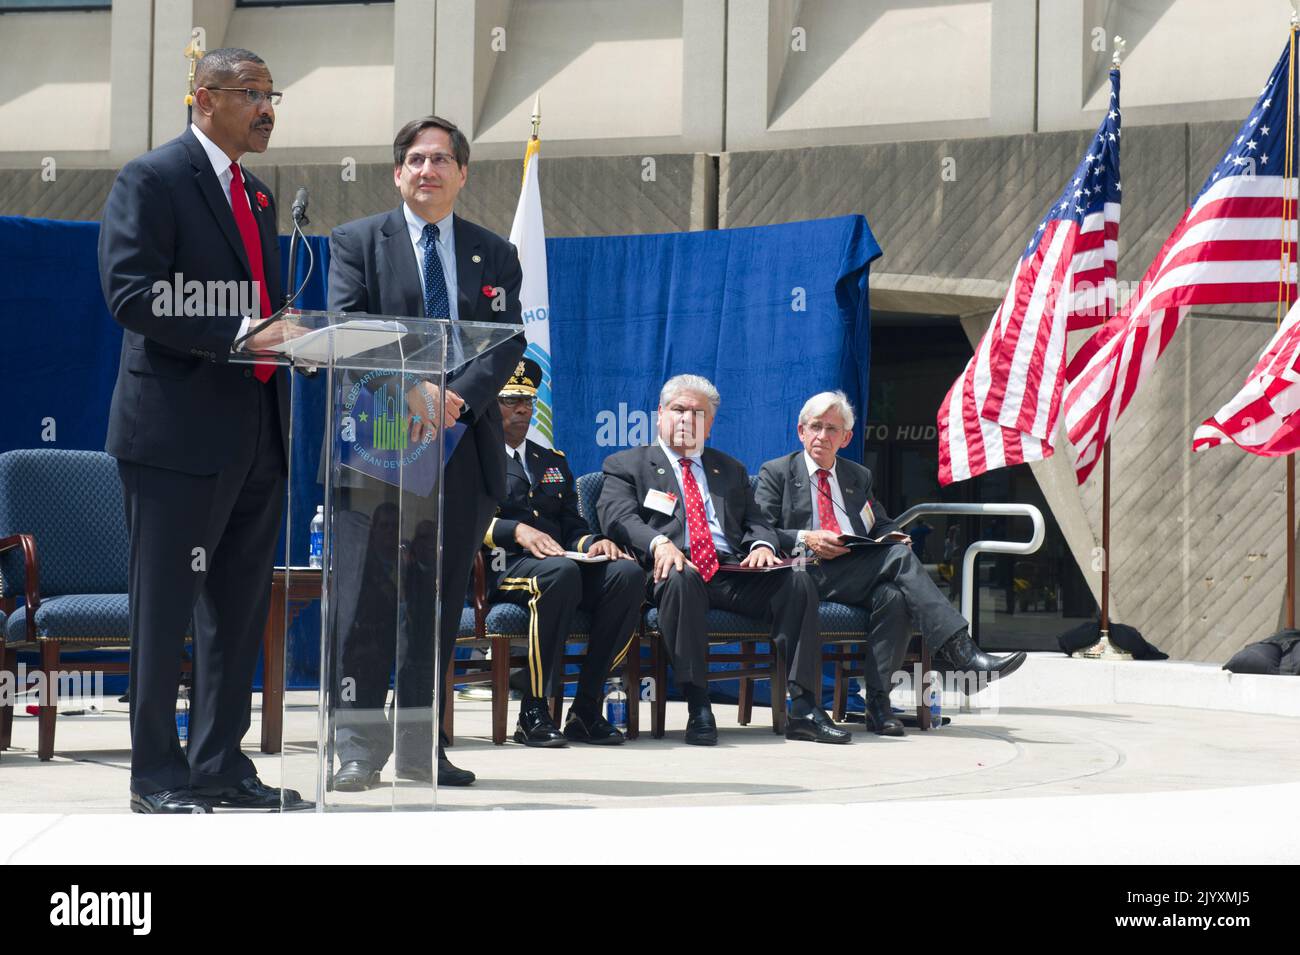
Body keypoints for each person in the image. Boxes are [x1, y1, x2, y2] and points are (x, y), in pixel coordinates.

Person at [99, 48, 307, 813]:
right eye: (252, 92)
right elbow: (132, 293)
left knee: (239, 612)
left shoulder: (256, 194)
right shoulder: (151, 179)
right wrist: (241, 332)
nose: (267, 107)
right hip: (176, 437)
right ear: (205, 97)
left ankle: (220, 762)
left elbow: (264, 313)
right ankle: (156, 773)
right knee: (165, 609)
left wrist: (297, 340)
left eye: (271, 92)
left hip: (256, 431)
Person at [327, 116, 524, 790]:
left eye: (442, 159)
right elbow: (348, 325)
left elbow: (504, 341)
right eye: (415, 159)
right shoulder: (357, 242)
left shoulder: (494, 253)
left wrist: (454, 399)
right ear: (397, 172)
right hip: (381, 443)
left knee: (432, 607)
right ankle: (356, 747)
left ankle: (419, 749)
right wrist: (411, 390)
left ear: (463, 174)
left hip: (460, 449)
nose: (428, 170)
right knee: (366, 605)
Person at [755, 391, 1026, 736]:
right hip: (802, 571)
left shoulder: (856, 476)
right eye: (815, 427)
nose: (822, 436)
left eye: (831, 429)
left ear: (846, 437)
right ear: (801, 431)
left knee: (895, 597)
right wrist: (806, 538)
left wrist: (895, 535)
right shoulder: (777, 472)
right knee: (899, 562)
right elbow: (760, 529)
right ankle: (961, 651)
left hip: (855, 569)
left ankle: (878, 705)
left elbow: (879, 523)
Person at [597, 375, 849, 746]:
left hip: (731, 571)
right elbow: (618, 517)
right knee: (681, 576)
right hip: (671, 569)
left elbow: (758, 521)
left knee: (796, 579)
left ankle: (804, 709)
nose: (687, 419)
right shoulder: (627, 464)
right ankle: (699, 706)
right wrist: (659, 544)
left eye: (698, 413)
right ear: (660, 415)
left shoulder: (728, 469)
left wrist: (762, 546)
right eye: (679, 410)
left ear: (710, 425)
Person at [483, 359, 646, 746]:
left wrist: (593, 543)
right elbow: (462, 524)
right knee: (560, 574)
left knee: (626, 575)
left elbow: (572, 526)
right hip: (502, 566)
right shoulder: (473, 458)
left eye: (528, 401)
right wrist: (515, 530)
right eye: (511, 400)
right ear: (490, 404)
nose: (523, 409)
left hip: (559, 565)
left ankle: (586, 707)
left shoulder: (552, 461)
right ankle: (534, 710)